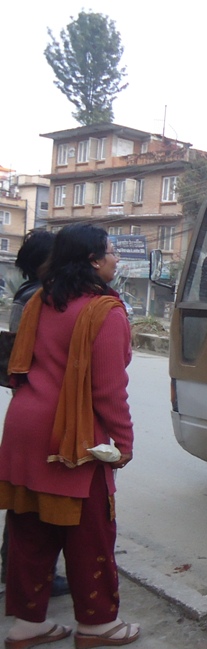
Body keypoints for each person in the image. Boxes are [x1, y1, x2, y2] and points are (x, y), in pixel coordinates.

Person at [0, 223, 139, 649]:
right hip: (73, 436)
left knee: (30, 532)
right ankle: (97, 625)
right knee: (90, 534)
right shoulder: (104, 311)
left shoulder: (42, 299)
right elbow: (108, 389)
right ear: (95, 261)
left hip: (24, 428)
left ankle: (26, 625)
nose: (117, 258)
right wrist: (123, 444)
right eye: (112, 251)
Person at [1, 229, 68, 597]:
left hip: (25, 400)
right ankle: (25, 574)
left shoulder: (26, 294)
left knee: (23, 494)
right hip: (37, 400)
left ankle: (14, 568)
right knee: (30, 496)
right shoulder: (38, 299)